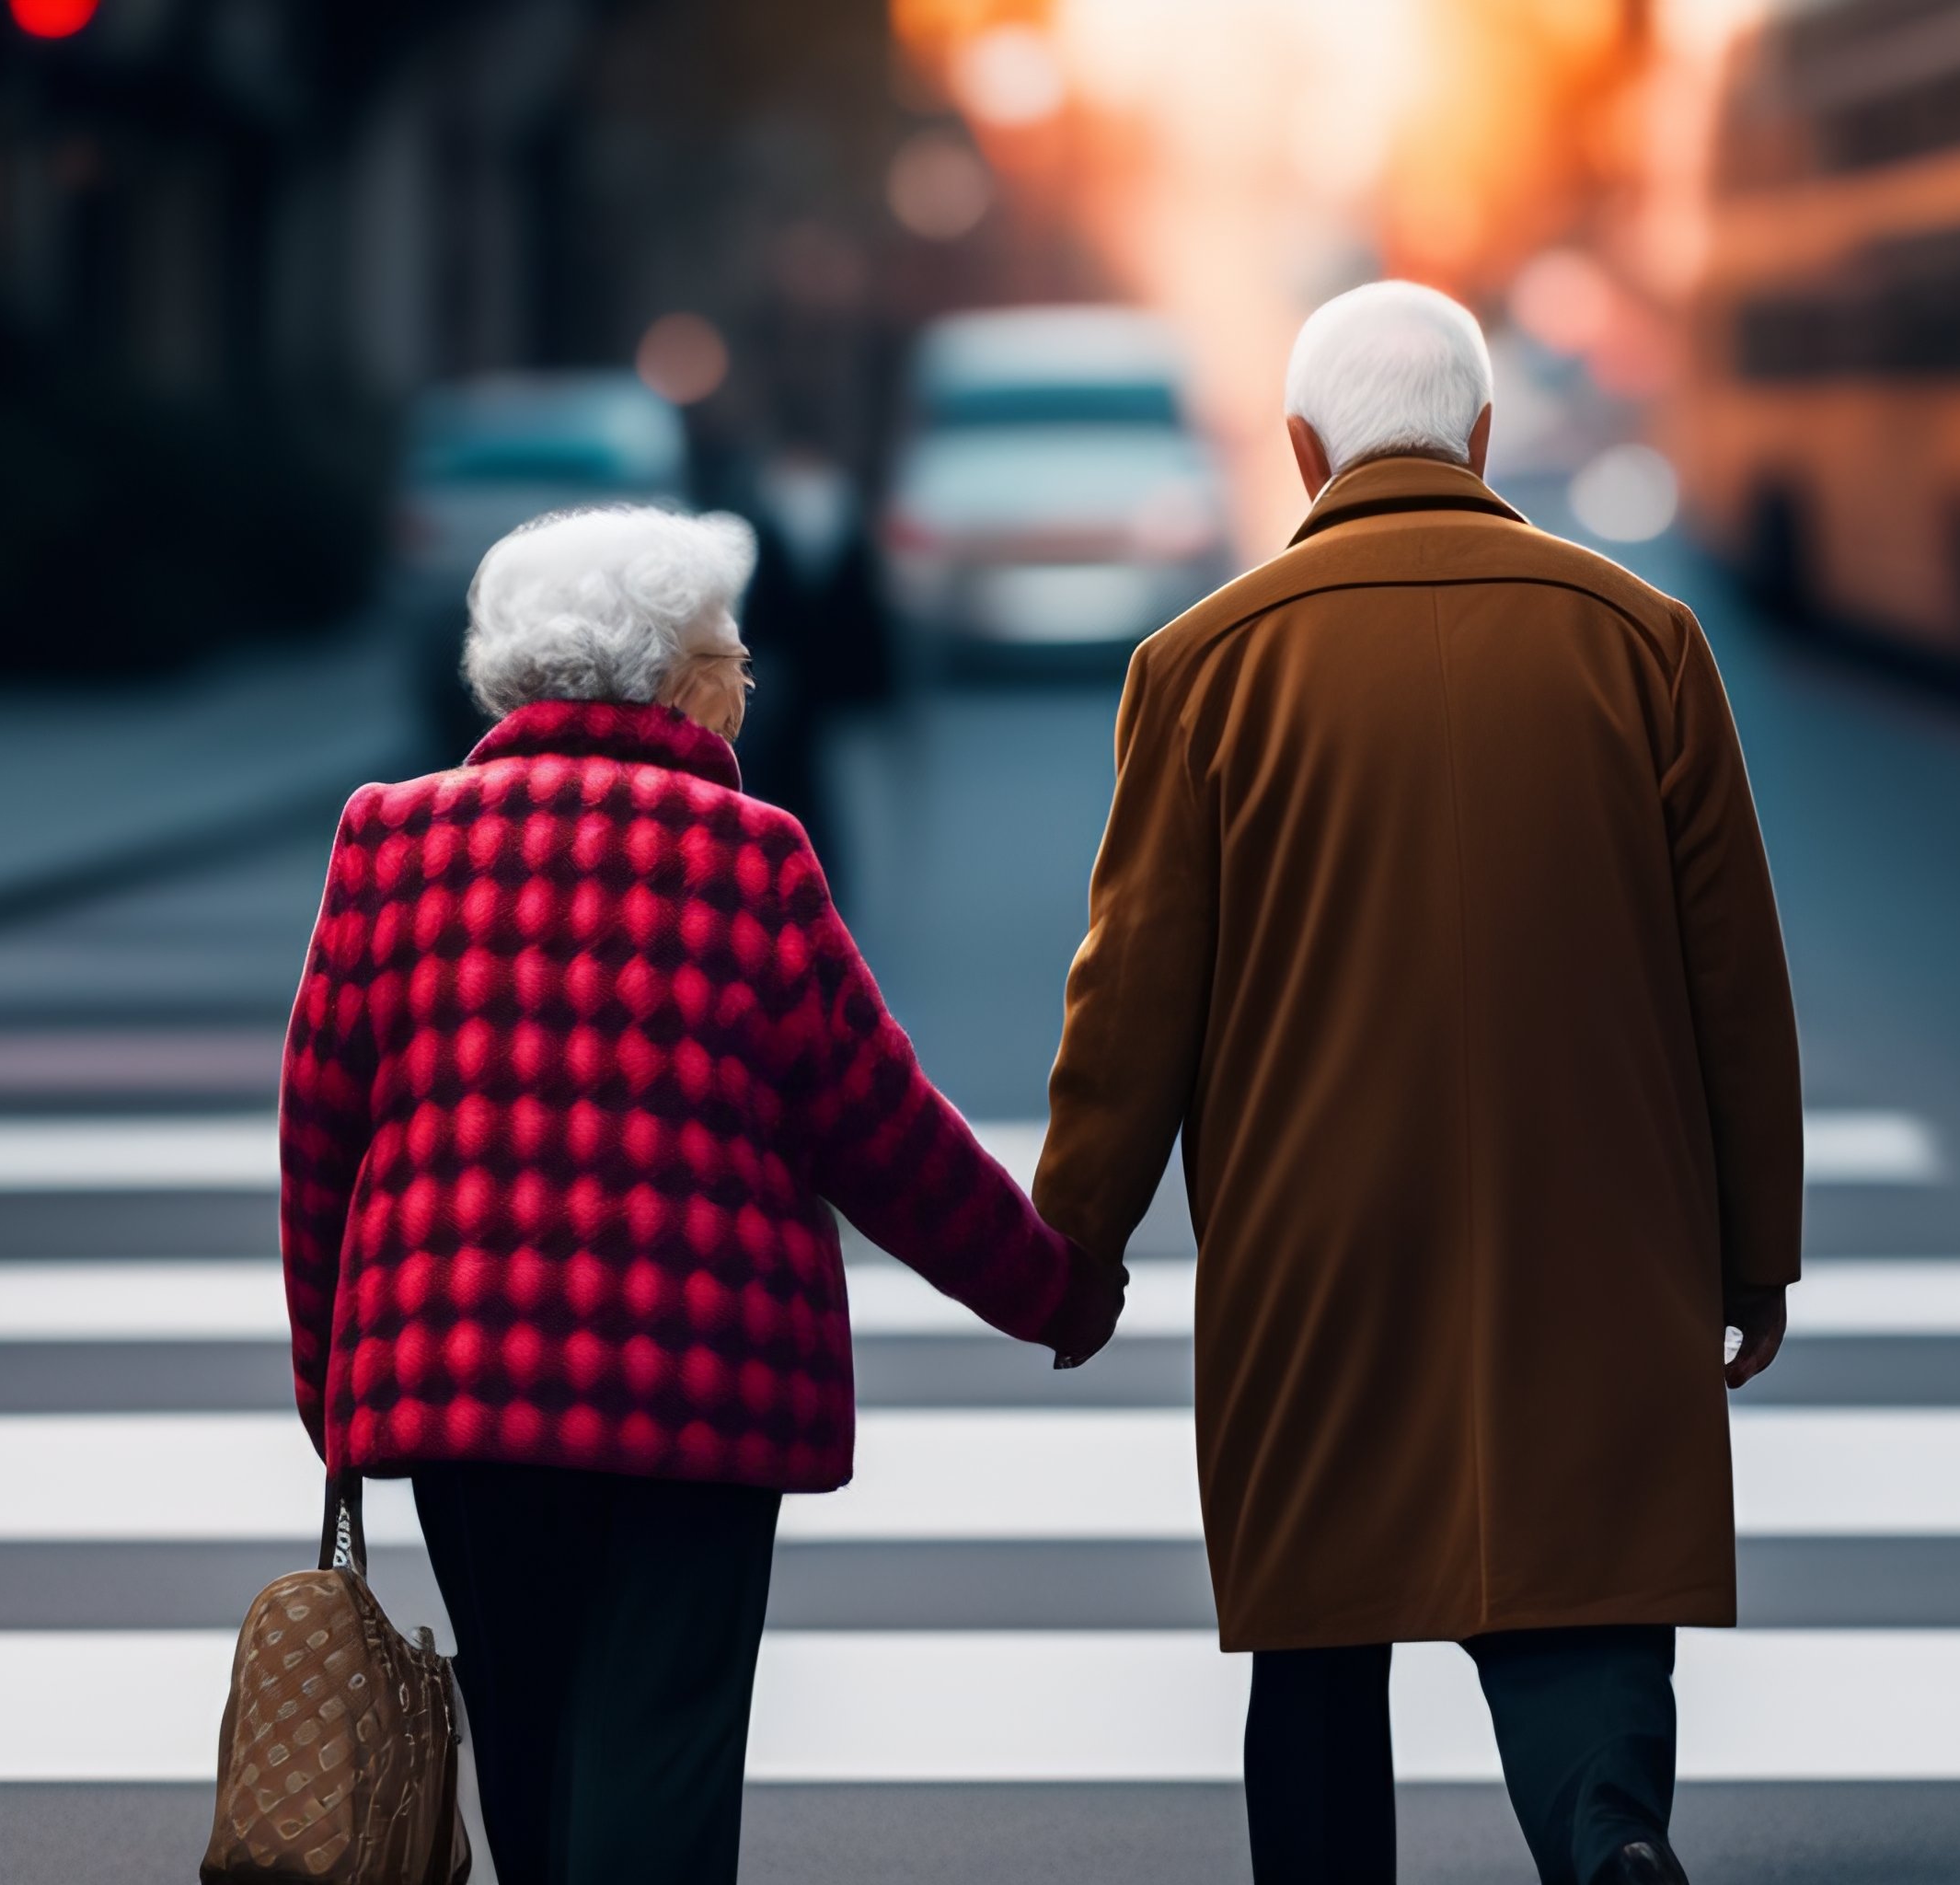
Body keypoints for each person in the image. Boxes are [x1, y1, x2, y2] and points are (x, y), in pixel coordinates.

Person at [1030, 282, 1804, 1885]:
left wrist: (1074, 1245)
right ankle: (1607, 1841)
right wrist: (1752, 1247)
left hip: (1318, 1237)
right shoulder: (1644, 641)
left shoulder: (1202, 667)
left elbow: (1134, 998)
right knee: (1581, 1578)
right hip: (1594, 1222)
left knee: (1318, 1616)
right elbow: (1734, 978)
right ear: (1486, 437)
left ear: (1306, 450)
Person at [278, 503, 1125, 1885]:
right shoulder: (749, 856)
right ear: (669, 678)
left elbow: (321, 1130)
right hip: (694, 1388)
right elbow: (881, 1131)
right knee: (659, 1744)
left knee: (530, 1732)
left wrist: (338, 1388)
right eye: (731, 654)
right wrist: (1052, 1289)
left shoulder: (391, 841)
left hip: (457, 1382)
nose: (746, 681)